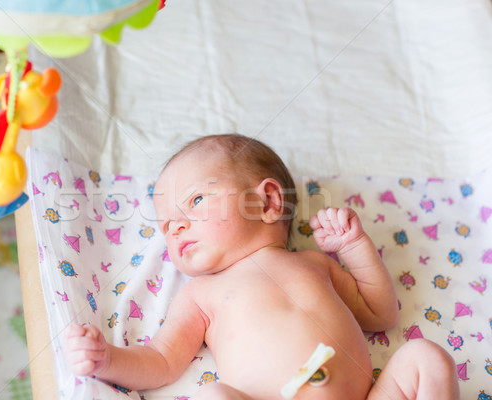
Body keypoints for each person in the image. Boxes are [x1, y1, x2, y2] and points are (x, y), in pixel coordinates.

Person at [64, 134, 459, 399]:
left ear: (267, 202)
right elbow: (162, 362)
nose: (176, 226)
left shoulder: (315, 264)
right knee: (215, 396)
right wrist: (108, 360)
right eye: (166, 225)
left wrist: (355, 247)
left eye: (196, 200)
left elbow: (380, 313)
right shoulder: (201, 295)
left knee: (425, 358)